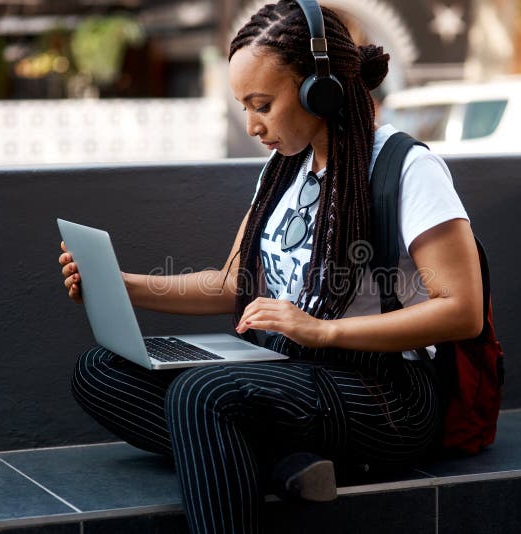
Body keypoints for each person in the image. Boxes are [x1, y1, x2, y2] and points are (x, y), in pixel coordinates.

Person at [58, 1, 482, 533]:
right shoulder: (283, 169)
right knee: (101, 372)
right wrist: (122, 286)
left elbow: (462, 312)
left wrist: (322, 331)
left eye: (262, 103)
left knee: (201, 396)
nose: (253, 124)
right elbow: (234, 282)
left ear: (318, 89)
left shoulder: (407, 168)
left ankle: (257, 459)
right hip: (288, 371)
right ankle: (284, 465)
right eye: (243, 107)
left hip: (384, 391)